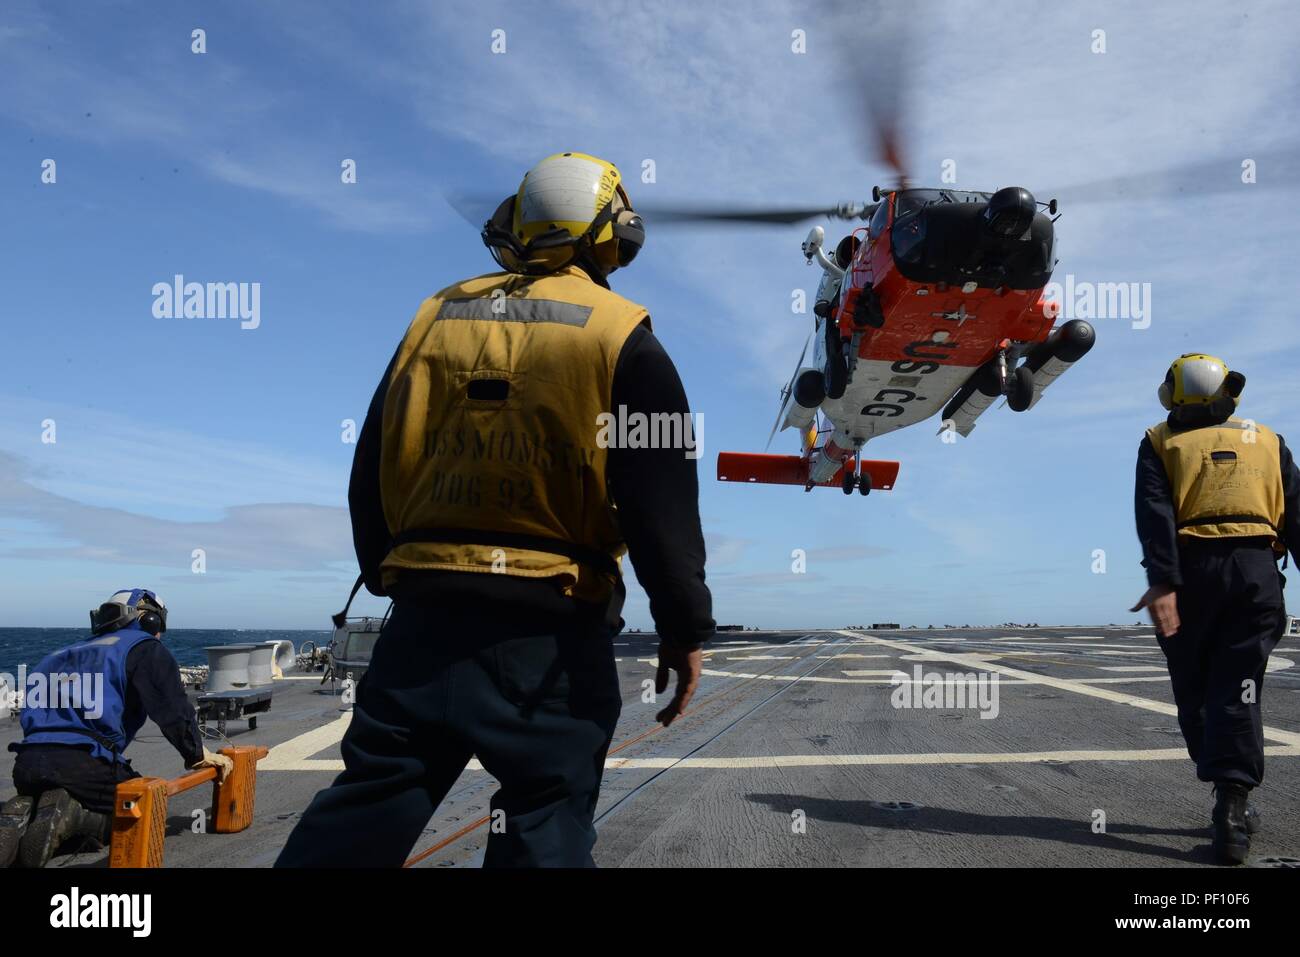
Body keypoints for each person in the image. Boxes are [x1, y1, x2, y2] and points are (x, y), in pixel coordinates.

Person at [277, 152, 715, 868]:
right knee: (544, 819)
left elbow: (372, 471)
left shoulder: (434, 318)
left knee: (362, 812)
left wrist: (395, 578)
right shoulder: (624, 338)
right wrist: (684, 627)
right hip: (549, 637)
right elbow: (660, 501)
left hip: (422, 625)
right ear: (613, 235)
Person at [1130, 354, 1300, 865]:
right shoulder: (1268, 440)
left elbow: (1154, 513)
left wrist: (1162, 581)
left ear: (1173, 397)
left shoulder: (1159, 440)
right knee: (1239, 688)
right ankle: (1232, 802)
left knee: (1194, 687)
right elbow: (1296, 513)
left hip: (1190, 578)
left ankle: (1226, 798)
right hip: (1256, 576)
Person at [0, 589, 232, 867]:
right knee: (141, 809)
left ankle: (30, 808)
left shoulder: (57, 655)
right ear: (150, 621)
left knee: (56, 806)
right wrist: (196, 753)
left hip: (27, 765)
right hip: (87, 764)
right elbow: (171, 707)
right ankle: (76, 816)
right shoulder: (142, 647)